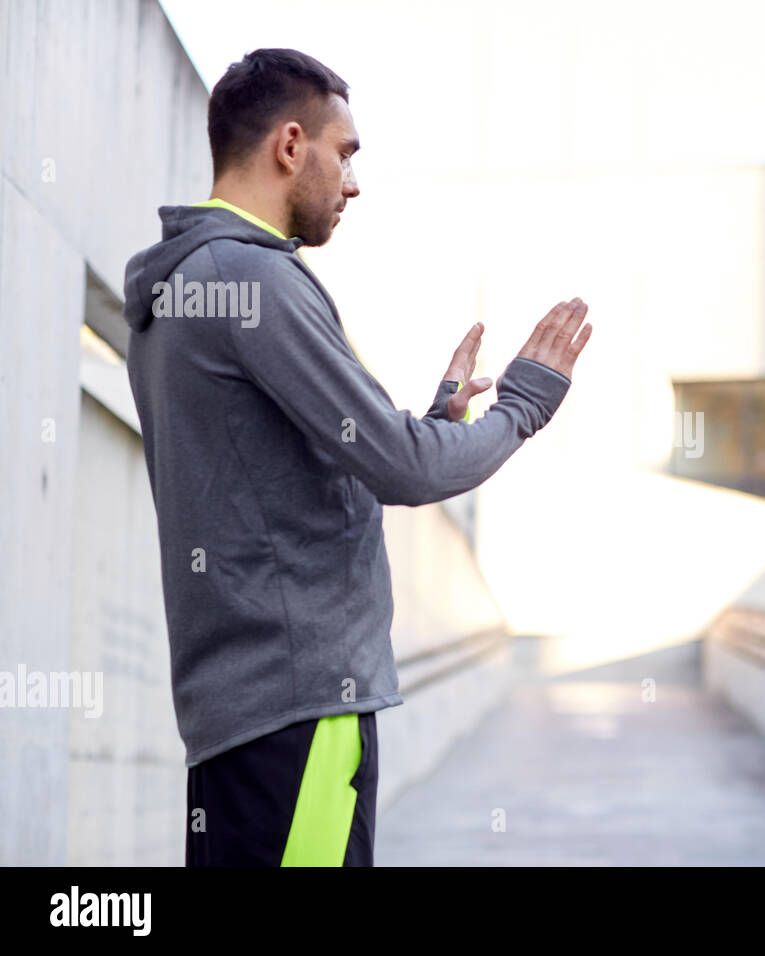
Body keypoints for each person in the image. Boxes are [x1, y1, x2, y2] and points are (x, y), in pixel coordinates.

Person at [121, 48, 592, 866]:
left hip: (240, 718)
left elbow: (286, 472)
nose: (354, 181)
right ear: (290, 145)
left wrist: (434, 419)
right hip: (298, 709)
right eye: (346, 153)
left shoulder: (181, 288)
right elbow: (404, 468)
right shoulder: (252, 278)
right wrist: (524, 406)